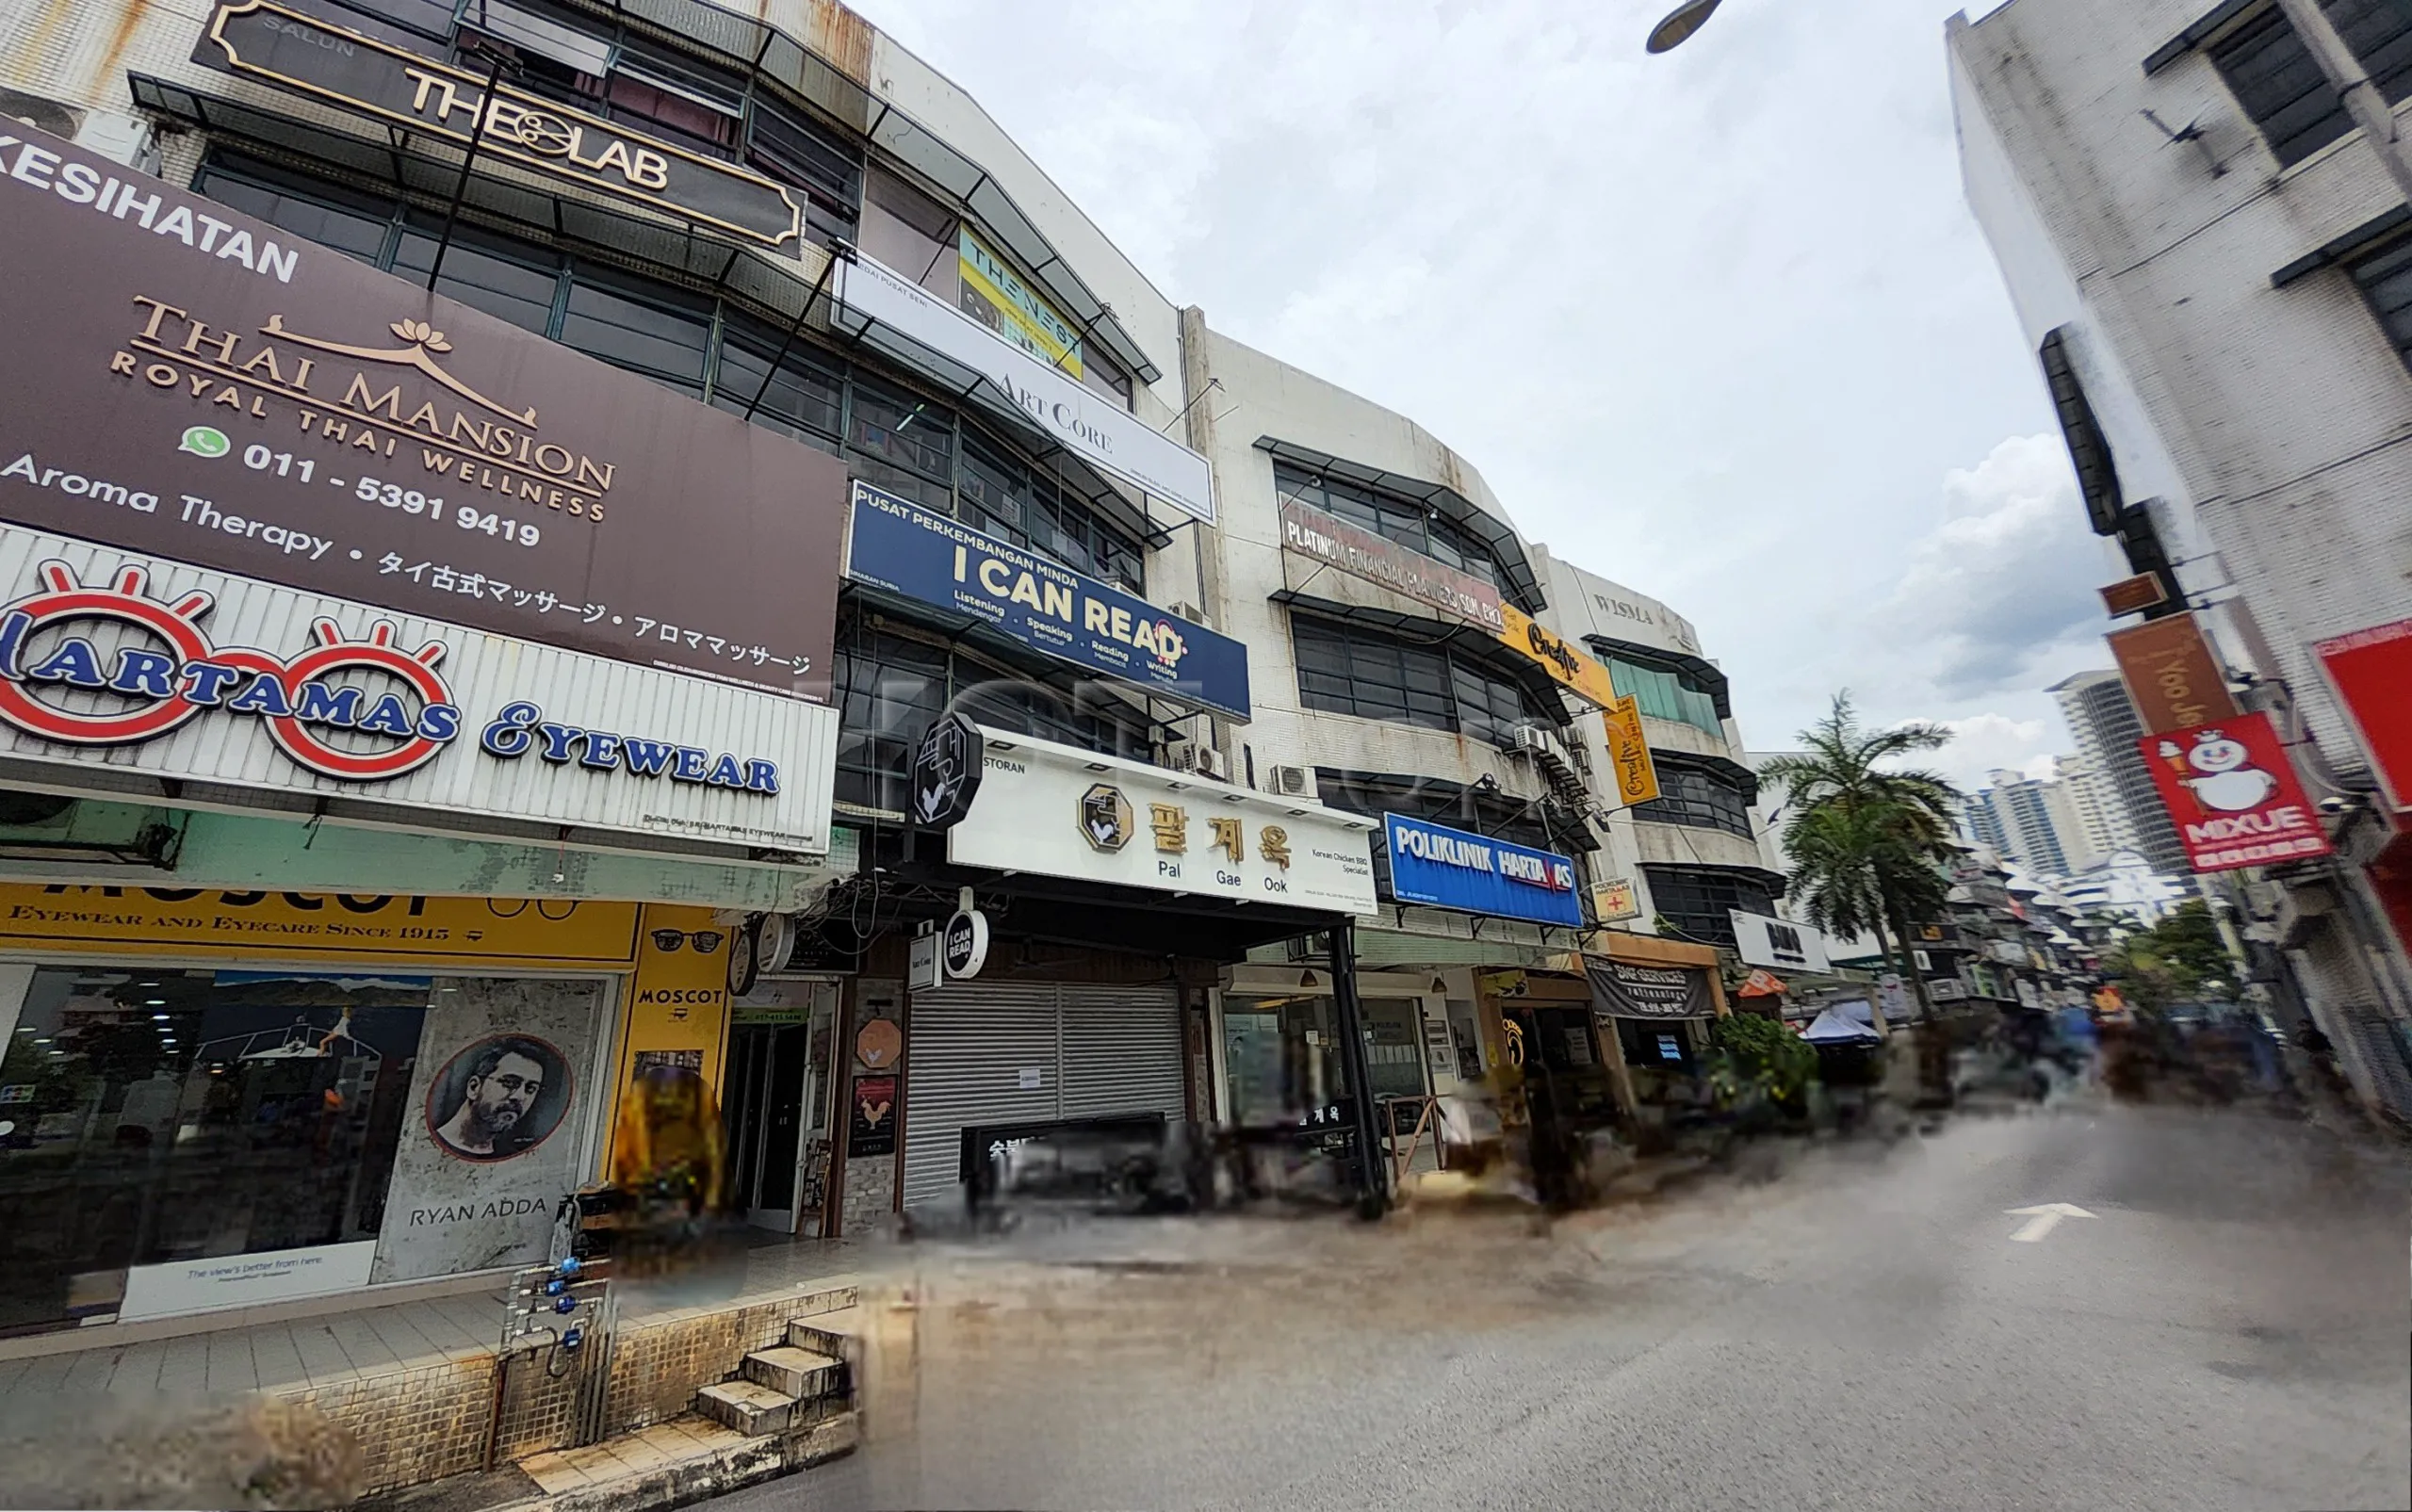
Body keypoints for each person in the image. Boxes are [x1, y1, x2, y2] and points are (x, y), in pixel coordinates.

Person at [433, 1039, 549, 1159]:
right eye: (509, 1083)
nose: (519, 1097)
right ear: (474, 1087)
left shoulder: (514, 1157)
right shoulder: (429, 1143)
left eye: (530, 1089)